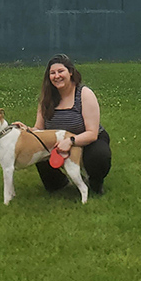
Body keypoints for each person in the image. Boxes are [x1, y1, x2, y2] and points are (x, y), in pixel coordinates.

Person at [15, 53, 111, 195]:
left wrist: (71, 141)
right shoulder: (46, 99)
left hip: (87, 140)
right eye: (52, 73)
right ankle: (59, 182)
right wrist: (26, 130)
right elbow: (39, 130)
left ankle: (95, 181)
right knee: (38, 147)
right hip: (58, 142)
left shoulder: (84, 94)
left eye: (61, 71)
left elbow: (92, 133)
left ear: (70, 72)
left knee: (99, 155)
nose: (57, 76)